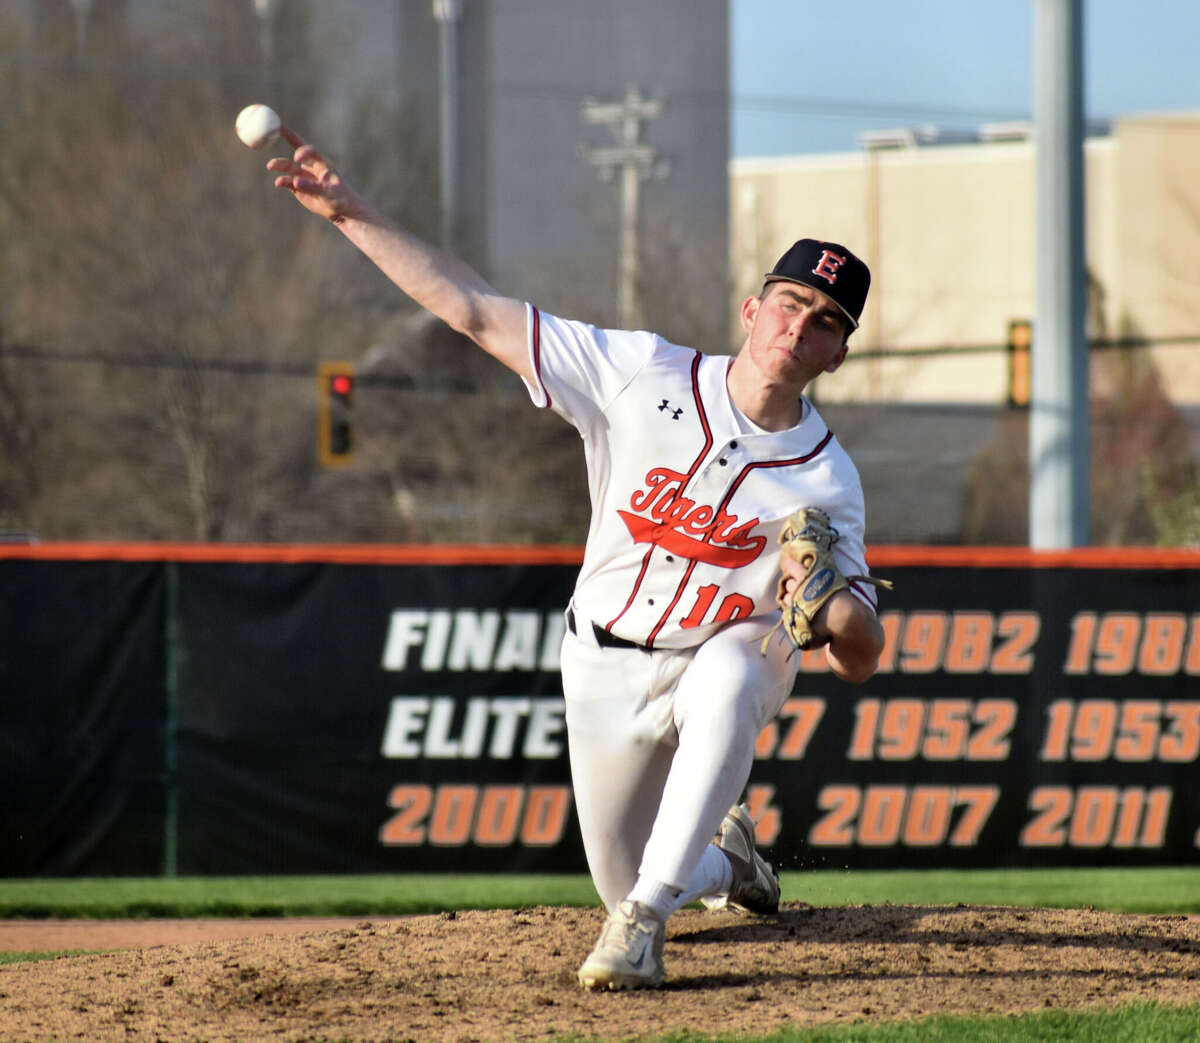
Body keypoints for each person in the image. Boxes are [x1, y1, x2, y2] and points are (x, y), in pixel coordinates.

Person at [265, 126, 886, 990]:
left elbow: (860, 654)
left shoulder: (827, 478)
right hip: (600, 659)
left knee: (737, 673)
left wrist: (830, 609)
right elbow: (474, 309)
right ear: (753, 309)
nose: (800, 325)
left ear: (838, 353)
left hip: (724, 654)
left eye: (825, 320)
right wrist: (351, 214)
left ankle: (642, 926)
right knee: (621, 873)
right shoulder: (641, 371)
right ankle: (725, 862)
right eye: (789, 301)